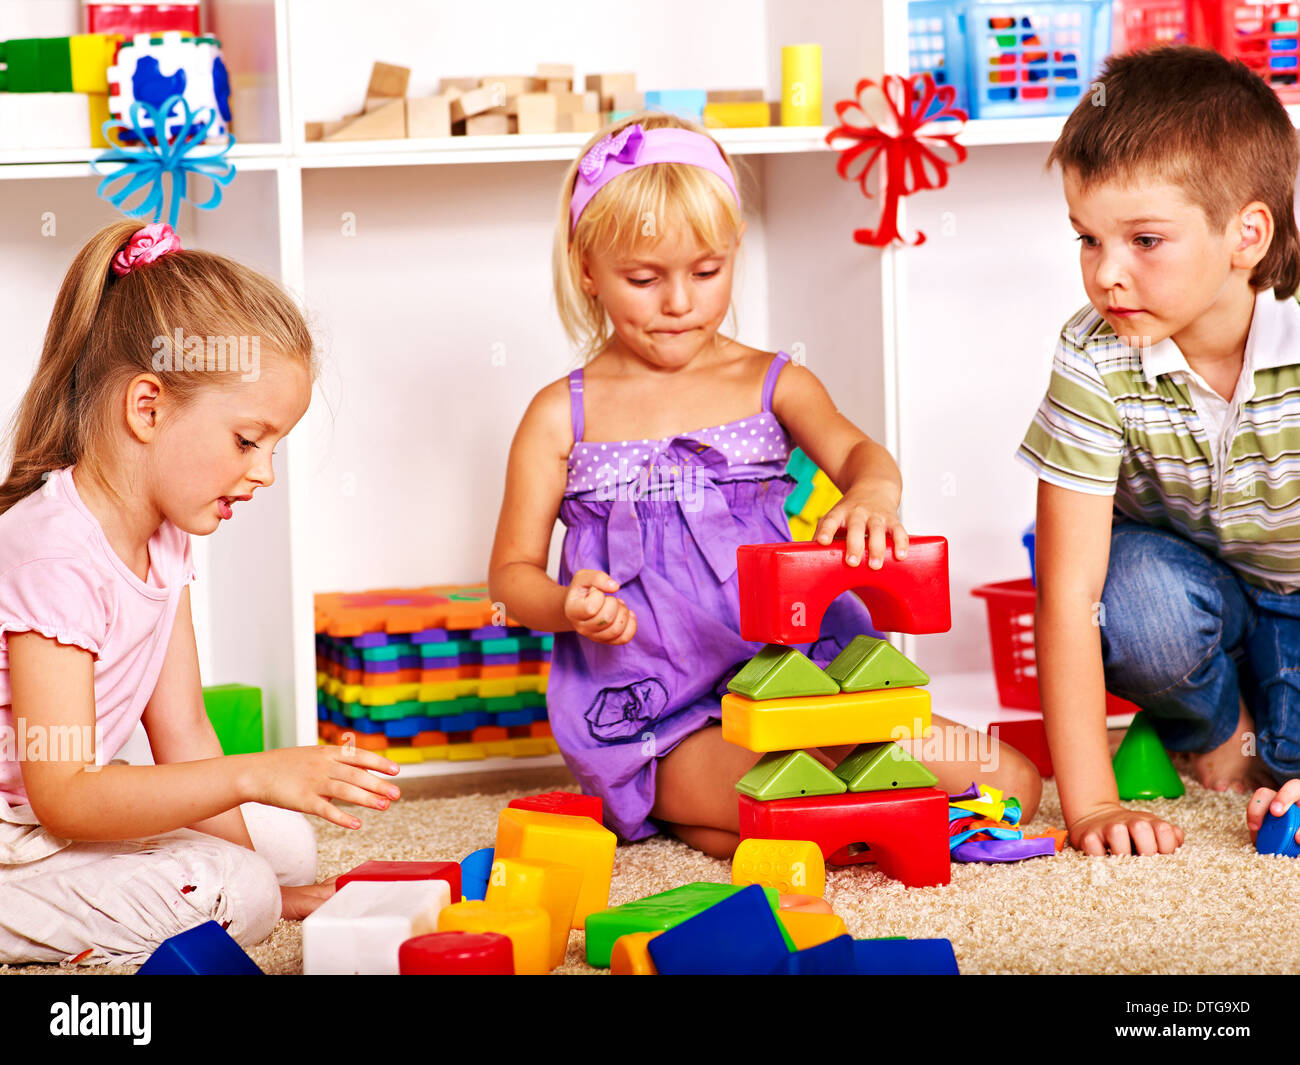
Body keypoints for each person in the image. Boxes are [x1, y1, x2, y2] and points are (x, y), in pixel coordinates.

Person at [490, 113, 1041, 856]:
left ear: (735, 253)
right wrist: (566, 604)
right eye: (644, 278)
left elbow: (861, 456)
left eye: (706, 271)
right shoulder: (561, 414)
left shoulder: (771, 382)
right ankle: (698, 808)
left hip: (807, 682)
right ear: (586, 267)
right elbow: (509, 576)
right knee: (803, 799)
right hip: (666, 717)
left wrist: (872, 495)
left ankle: (740, 820)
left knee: (1007, 782)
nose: (679, 301)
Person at [0, 221, 399, 965]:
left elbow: (182, 731)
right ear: (147, 407)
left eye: (275, 448)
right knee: (235, 888)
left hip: (54, 817)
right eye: (249, 440)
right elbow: (60, 794)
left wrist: (266, 853)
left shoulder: (167, 535)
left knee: (285, 848)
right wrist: (257, 775)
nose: (264, 474)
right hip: (18, 834)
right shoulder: (53, 549)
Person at [1019, 46, 1300, 856]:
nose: (1106, 274)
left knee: (1284, 764)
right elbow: (1070, 592)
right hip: (1186, 596)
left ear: (1248, 234)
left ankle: (1264, 737)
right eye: (1086, 238)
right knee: (1132, 596)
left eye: (1145, 240)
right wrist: (1091, 806)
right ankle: (1216, 724)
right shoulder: (1094, 352)